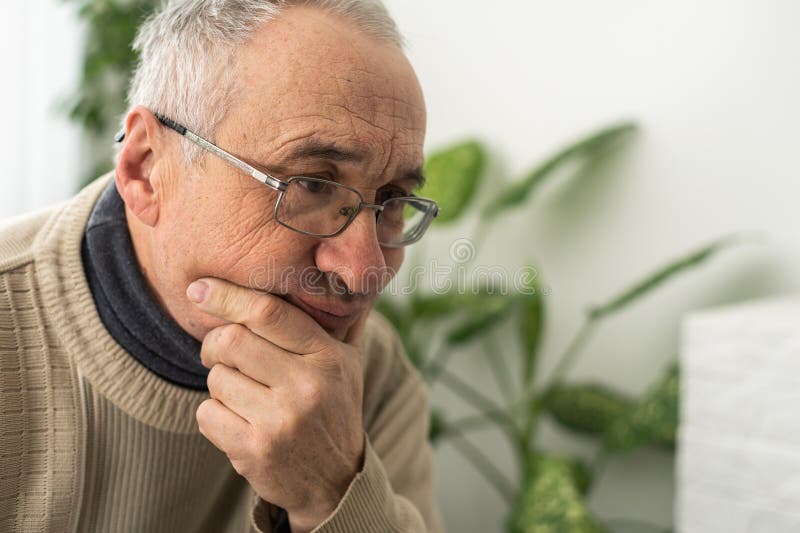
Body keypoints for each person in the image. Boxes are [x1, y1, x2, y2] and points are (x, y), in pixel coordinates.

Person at [0, 1, 445, 532]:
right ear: (146, 169)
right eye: (312, 184)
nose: (362, 270)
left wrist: (332, 495)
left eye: (393, 199)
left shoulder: (371, 372)